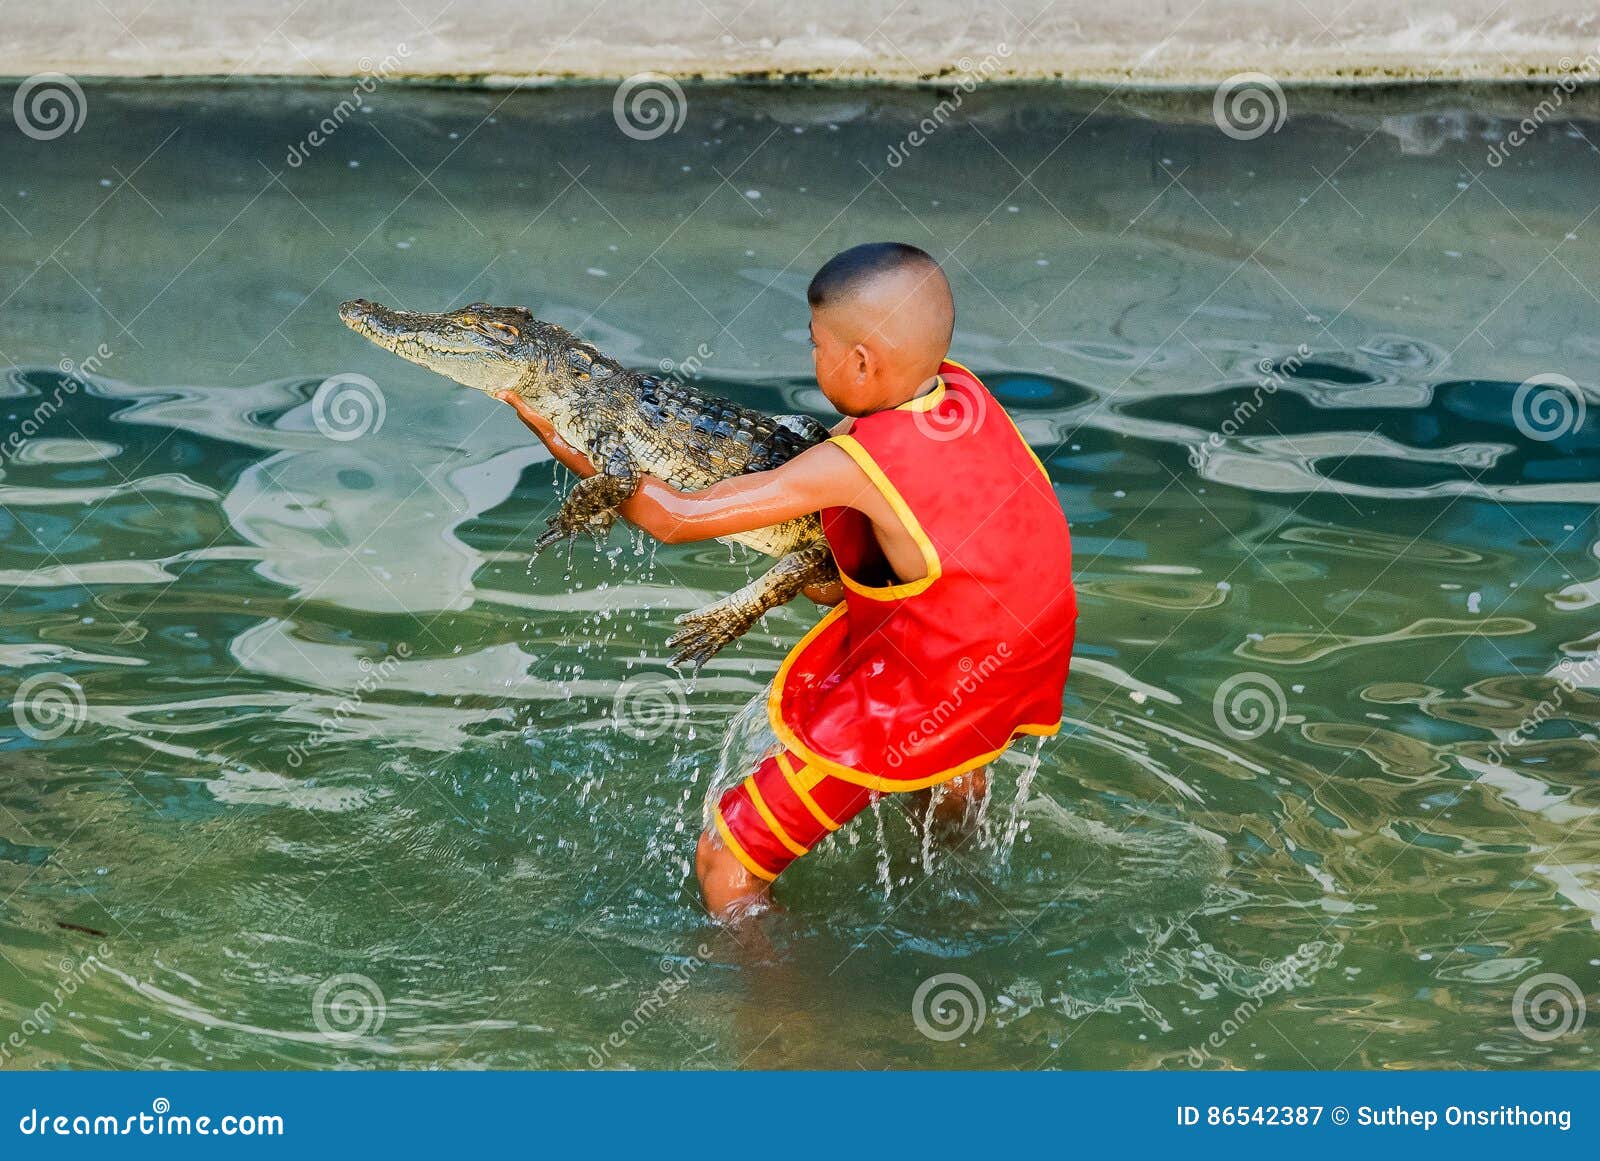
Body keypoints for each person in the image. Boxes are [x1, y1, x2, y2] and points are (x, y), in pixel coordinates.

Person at [496, 242, 1076, 919]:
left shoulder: (853, 462)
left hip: (928, 681)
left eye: (815, 346)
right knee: (952, 762)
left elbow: (677, 518)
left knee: (724, 862)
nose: (811, 359)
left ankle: (791, 1019)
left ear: (861, 363)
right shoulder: (964, 396)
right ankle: (959, 874)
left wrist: (557, 433)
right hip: (1023, 656)